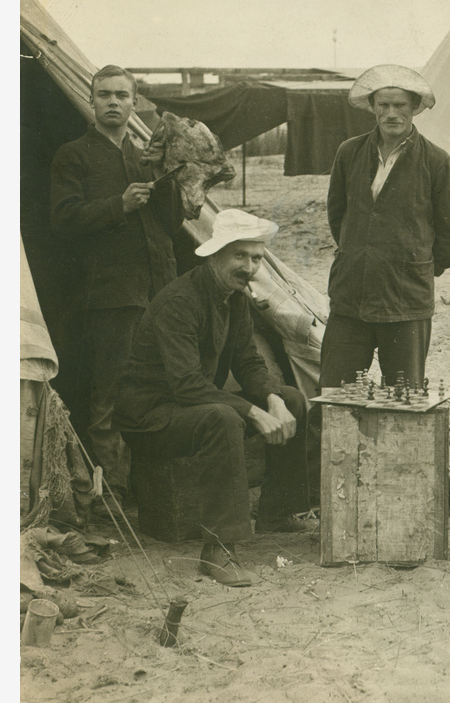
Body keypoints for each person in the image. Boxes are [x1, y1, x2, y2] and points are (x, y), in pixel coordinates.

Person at [113, 209, 313, 588]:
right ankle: (218, 550)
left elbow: (249, 361)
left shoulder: (234, 297)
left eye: (256, 258)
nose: (249, 267)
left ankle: (278, 510)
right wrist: (253, 411)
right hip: (149, 417)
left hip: (187, 406)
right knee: (224, 417)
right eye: (240, 256)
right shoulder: (180, 302)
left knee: (292, 399)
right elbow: (186, 384)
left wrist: (272, 398)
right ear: (214, 253)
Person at [50, 65, 184, 501]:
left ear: (134, 102)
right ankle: (114, 500)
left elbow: (172, 224)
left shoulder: (146, 156)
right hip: (110, 295)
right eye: (104, 94)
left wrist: (173, 190)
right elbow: (64, 220)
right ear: (90, 101)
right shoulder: (75, 155)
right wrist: (119, 205)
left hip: (158, 291)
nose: (113, 102)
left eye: (121, 95)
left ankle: (154, 494)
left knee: (158, 392)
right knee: (109, 399)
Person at [320, 64, 450, 389]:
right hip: (350, 297)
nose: (391, 113)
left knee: (403, 396)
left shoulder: (437, 162)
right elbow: (338, 216)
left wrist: (418, 266)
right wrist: (358, 253)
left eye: (400, 105)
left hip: (406, 303)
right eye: (384, 105)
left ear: (414, 108)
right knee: (335, 393)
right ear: (372, 106)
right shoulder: (349, 153)